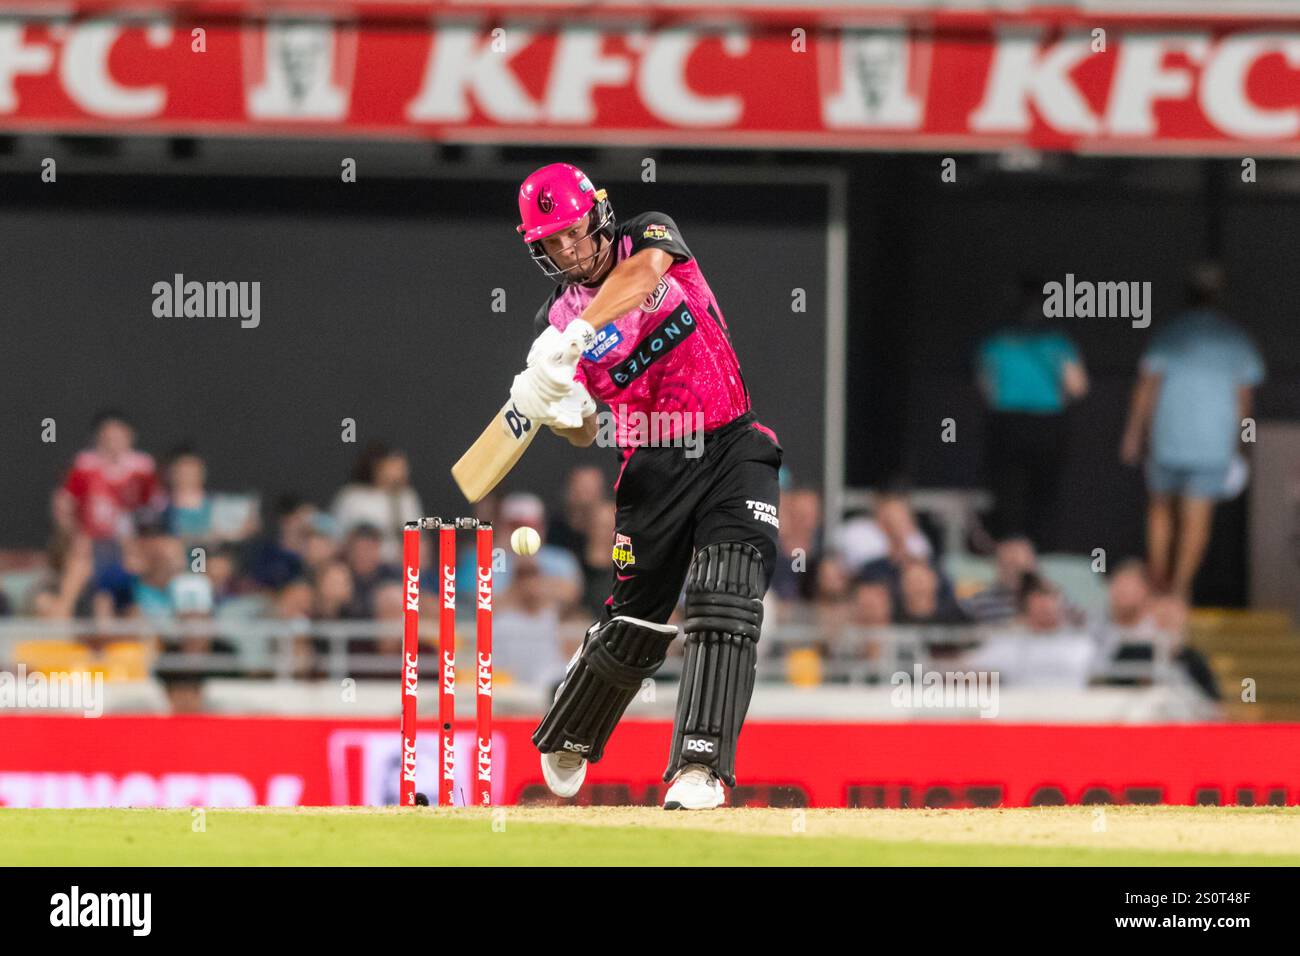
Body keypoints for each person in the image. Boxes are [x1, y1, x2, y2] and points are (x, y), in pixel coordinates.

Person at [510, 162, 783, 810]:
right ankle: (571, 727)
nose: (570, 251)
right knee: (637, 623)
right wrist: (562, 410)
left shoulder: (647, 237)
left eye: (575, 232)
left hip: (730, 442)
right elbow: (584, 431)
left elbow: (641, 278)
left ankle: (700, 766)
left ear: (599, 216)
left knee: (728, 595)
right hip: (653, 468)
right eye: (552, 243)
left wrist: (574, 337)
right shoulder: (556, 321)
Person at [1120, 263, 1264, 597]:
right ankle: (1178, 591)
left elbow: (1146, 388)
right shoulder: (1235, 338)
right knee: (1195, 518)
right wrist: (1246, 444)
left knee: (1160, 509)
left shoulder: (1170, 332)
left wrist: (1133, 436)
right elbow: (1245, 402)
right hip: (1211, 443)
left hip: (1168, 437)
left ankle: (1160, 583)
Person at [977, 276, 1089, 550]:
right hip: (1046, 424)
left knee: (1007, 490)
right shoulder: (1057, 344)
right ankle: (1038, 550)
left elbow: (987, 388)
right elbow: (1078, 387)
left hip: (1008, 422)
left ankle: (1009, 548)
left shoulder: (996, 343)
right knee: (1043, 494)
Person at [331, 443, 423, 566]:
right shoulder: (352, 497)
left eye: (403, 466)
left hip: (402, 565)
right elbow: (336, 536)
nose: (401, 471)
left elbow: (419, 537)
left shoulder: (407, 497)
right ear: (377, 466)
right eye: (394, 465)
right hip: (361, 566)